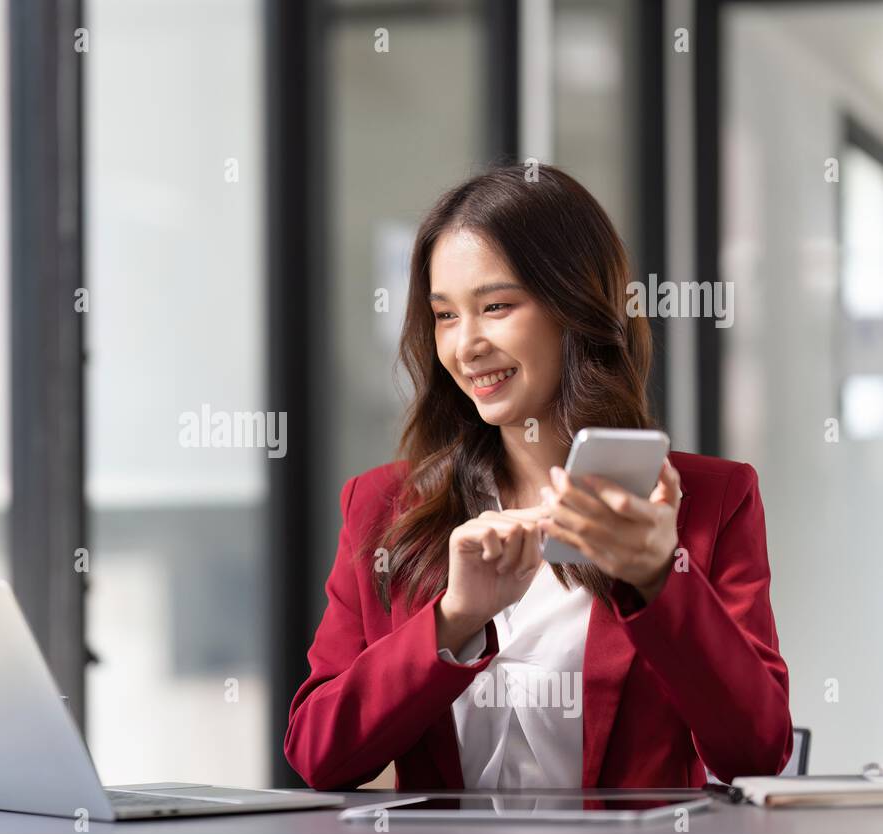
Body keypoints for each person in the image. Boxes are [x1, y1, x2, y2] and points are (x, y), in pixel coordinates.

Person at [284, 164, 792, 791]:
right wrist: (453, 619)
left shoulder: (710, 501)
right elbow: (318, 755)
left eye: (496, 307)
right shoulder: (384, 506)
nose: (465, 345)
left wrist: (660, 578)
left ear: (574, 307)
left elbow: (756, 752)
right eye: (445, 315)